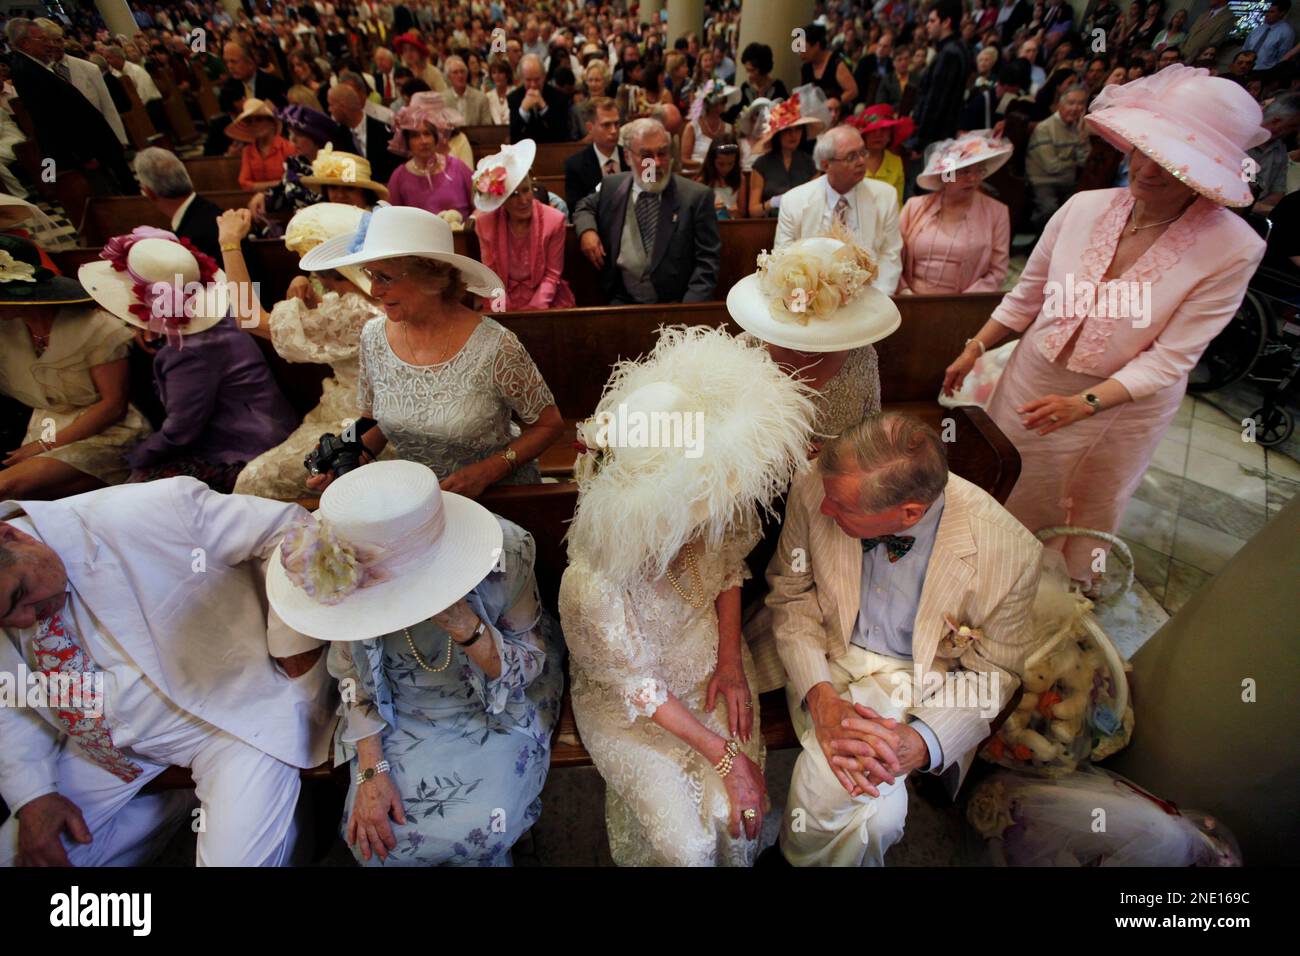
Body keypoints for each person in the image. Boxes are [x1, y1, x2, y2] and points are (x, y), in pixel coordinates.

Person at [943, 66, 1267, 587]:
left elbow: (1172, 357)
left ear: (1204, 173)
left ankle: (1055, 586)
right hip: (1033, 377)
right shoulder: (1082, 208)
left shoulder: (1233, 247)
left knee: (1088, 496)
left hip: (1120, 408)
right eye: (1143, 150)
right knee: (1014, 474)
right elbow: (1027, 297)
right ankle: (990, 562)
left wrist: (1085, 404)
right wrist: (976, 347)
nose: (1147, 170)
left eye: (1170, 162)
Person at [559, 326, 817, 866]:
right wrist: (726, 758)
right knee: (686, 845)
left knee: (735, 819)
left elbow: (727, 572)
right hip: (632, 702)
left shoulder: (710, 497)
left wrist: (730, 661)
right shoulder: (592, 578)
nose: (706, 511)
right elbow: (636, 686)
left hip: (706, 660)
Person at [0, 473, 334, 866]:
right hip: (106, 746)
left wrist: (293, 651)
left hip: (231, 720)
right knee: (16, 855)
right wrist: (33, 794)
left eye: (20, 595)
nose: (23, 621)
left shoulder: (150, 509)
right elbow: (11, 696)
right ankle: (174, 806)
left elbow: (291, 531)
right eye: (5, 619)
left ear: (10, 536)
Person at [761, 412, 1042, 867]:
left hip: (918, 678)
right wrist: (822, 697)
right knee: (878, 820)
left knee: (867, 810)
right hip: (825, 651)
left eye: (842, 508)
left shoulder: (1011, 553)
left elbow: (995, 675)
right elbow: (792, 596)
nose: (825, 510)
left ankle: (783, 861)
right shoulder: (817, 486)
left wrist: (922, 741)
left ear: (909, 513)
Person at [264, 459, 563, 865]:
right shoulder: (345, 574)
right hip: (398, 716)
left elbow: (529, 667)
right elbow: (353, 680)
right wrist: (372, 769)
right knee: (379, 843)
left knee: (479, 829)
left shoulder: (506, 552)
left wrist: (468, 628)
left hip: (496, 708)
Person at [300, 205, 564, 498]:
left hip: (498, 496)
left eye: (384, 277)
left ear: (433, 278)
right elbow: (374, 421)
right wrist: (344, 453)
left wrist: (492, 469)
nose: (374, 290)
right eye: (369, 275)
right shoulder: (373, 337)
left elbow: (549, 425)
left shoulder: (496, 347)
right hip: (420, 499)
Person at [78, 229, 297, 493]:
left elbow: (181, 429)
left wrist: (135, 457)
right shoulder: (214, 318)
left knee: (135, 489)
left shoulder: (188, 349)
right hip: (254, 429)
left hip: (244, 450)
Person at [217, 203, 385, 499]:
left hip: (364, 425)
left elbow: (247, 316)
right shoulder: (368, 297)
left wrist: (229, 243)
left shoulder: (355, 310)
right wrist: (309, 294)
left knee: (252, 481)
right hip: (357, 413)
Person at [0, 237, 149, 502]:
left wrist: (45, 445)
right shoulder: (7, 330)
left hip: (105, 434)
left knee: (8, 488)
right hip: (46, 425)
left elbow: (113, 406)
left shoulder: (97, 328)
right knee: (19, 503)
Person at [573, 117, 722, 304]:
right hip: (622, 301)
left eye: (662, 153)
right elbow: (584, 206)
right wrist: (587, 231)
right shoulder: (613, 186)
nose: (656, 163)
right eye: (647, 156)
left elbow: (707, 265)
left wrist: (687, 314)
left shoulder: (696, 197)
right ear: (627, 156)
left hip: (676, 305)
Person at [4, 19, 135, 195]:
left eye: (55, 39)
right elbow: (53, 118)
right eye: (43, 40)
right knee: (106, 194)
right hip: (85, 148)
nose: (49, 44)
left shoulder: (36, 66)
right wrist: (84, 155)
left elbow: (105, 106)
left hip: (95, 142)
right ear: (25, 43)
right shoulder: (26, 71)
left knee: (120, 186)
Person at [776, 124, 904, 295]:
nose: (861, 161)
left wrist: (876, 301)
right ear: (826, 164)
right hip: (813, 297)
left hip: (869, 294)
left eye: (862, 152)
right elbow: (783, 258)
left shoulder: (885, 196)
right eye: (851, 157)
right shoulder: (794, 201)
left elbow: (890, 254)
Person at [899, 132, 1012, 294]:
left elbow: (997, 272)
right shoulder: (914, 207)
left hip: (966, 305)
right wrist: (905, 292)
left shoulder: (997, 212)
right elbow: (893, 256)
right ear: (946, 176)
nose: (973, 179)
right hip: (911, 300)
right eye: (964, 171)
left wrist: (959, 305)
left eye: (978, 170)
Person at [471, 140, 575, 310]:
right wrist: (506, 310)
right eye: (514, 195)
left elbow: (552, 275)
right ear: (501, 201)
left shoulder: (554, 220)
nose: (524, 201)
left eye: (526, 190)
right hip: (500, 296)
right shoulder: (485, 225)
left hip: (546, 298)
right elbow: (491, 275)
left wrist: (533, 311)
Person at [384, 92, 474, 219]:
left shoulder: (457, 167)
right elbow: (393, 220)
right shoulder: (399, 177)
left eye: (427, 134)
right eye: (415, 136)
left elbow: (480, 208)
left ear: (436, 137)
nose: (423, 141)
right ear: (407, 142)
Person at [906, 0, 975, 156]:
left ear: (946, 22)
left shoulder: (949, 53)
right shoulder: (958, 48)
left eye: (932, 21)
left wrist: (919, 141)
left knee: (931, 178)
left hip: (936, 139)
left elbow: (936, 101)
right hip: (943, 135)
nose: (927, 26)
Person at [747, 92, 824, 218]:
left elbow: (818, 204)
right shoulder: (761, 164)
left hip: (803, 224)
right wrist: (771, 203)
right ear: (778, 134)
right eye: (787, 130)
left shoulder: (809, 162)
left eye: (798, 129)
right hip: (770, 225)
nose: (793, 135)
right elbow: (753, 211)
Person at [1025, 85, 1090, 229]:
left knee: (1081, 210)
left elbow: (1084, 161)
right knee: (1050, 210)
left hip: (1068, 181)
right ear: (1059, 105)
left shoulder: (1079, 128)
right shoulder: (1045, 128)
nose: (1075, 108)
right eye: (1071, 103)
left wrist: (1082, 139)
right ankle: (1035, 244)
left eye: (1080, 104)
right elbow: (1052, 167)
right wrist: (1074, 164)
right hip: (1043, 181)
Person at [327, 82, 400, 186]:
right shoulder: (337, 137)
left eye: (331, 105)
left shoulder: (384, 132)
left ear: (342, 106)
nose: (329, 109)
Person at [564, 96, 624, 216]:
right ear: (590, 128)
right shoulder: (575, 165)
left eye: (616, 124)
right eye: (606, 125)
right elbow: (576, 210)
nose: (613, 131)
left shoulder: (634, 156)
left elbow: (649, 191)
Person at [849, 105, 914, 208]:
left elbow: (897, 204)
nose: (878, 134)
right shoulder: (850, 160)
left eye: (883, 129)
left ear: (890, 135)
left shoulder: (896, 162)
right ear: (863, 135)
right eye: (872, 130)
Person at [228, 98, 298, 192]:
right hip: (257, 202)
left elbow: (295, 180)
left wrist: (259, 186)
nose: (254, 125)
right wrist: (279, 183)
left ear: (272, 123)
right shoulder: (248, 151)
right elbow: (244, 184)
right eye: (249, 121)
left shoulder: (288, 147)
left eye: (259, 120)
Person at [681, 80, 738, 178]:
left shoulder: (729, 128)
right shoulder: (693, 127)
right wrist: (707, 166)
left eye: (722, 103)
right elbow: (684, 160)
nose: (719, 107)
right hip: (695, 175)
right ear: (707, 103)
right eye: (715, 103)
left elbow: (733, 158)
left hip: (721, 177)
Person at [509, 54, 570, 144]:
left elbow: (562, 134)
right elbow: (514, 136)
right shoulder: (514, 98)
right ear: (521, 78)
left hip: (553, 151)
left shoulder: (560, 97)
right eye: (528, 80)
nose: (533, 85)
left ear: (544, 76)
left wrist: (544, 108)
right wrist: (523, 111)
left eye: (537, 79)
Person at [799, 21, 858, 112]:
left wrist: (836, 101)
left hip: (836, 113)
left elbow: (852, 91)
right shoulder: (806, 68)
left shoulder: (836, 63)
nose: (800, 53)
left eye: (803, 48)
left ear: (816, 46)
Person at [222, 39, 289, 108]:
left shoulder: (274, 84)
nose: (229, 66)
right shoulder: (228, 88)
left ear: (250, 63)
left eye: (234, 61)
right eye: (226, 62)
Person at [699, 134, 747, 219]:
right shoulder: (703, 180)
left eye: (730, 164)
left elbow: (742, 213)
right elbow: (696, 214)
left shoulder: (740, 179)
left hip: (732, 226)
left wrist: (735, 212)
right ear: (712, 160)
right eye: (721, 164)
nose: (726, 168)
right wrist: (710, 209)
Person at [1244, 2, 1296, 73]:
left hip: (1264, 70)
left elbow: (1282, 57)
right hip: (1244, 67)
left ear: (1281, 14)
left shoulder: (1286, 32)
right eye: (1267, 11)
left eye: (1272, 12)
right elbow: (1245, 48)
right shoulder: (1258, 29)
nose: (1267, 15)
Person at [737, 41, 789, 113]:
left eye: (751, 71)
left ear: (762, 68)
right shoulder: (745, 87)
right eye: (747, 71)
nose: (749, 75)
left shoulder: (778, 87)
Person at [442, 54, 492, 125]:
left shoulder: (481, 98)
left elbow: (487, 127)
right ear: (449, 77)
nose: (460, 75)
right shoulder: (442, 100)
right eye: (455, 72)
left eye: (462, 71)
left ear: (467, 74)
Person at [486, 57, 514, 125]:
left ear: (507, 74)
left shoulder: (515, 93)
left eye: (500, 72)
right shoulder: (488, 96)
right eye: (494, 72)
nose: (497, 76)